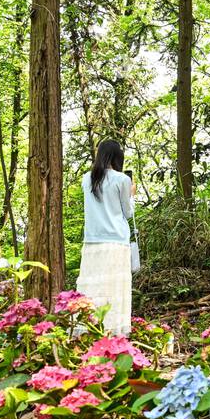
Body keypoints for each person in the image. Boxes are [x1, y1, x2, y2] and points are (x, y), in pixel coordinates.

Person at [76, 140, 134, 335]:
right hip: (116, 241)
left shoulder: (86, 179)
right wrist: (132, 195)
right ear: (118, 157)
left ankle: (89, 329)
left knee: (93, 287)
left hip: (92, 241)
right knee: (115, 289)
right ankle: (115, 331)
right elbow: (128, 213)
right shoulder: (122, 180)